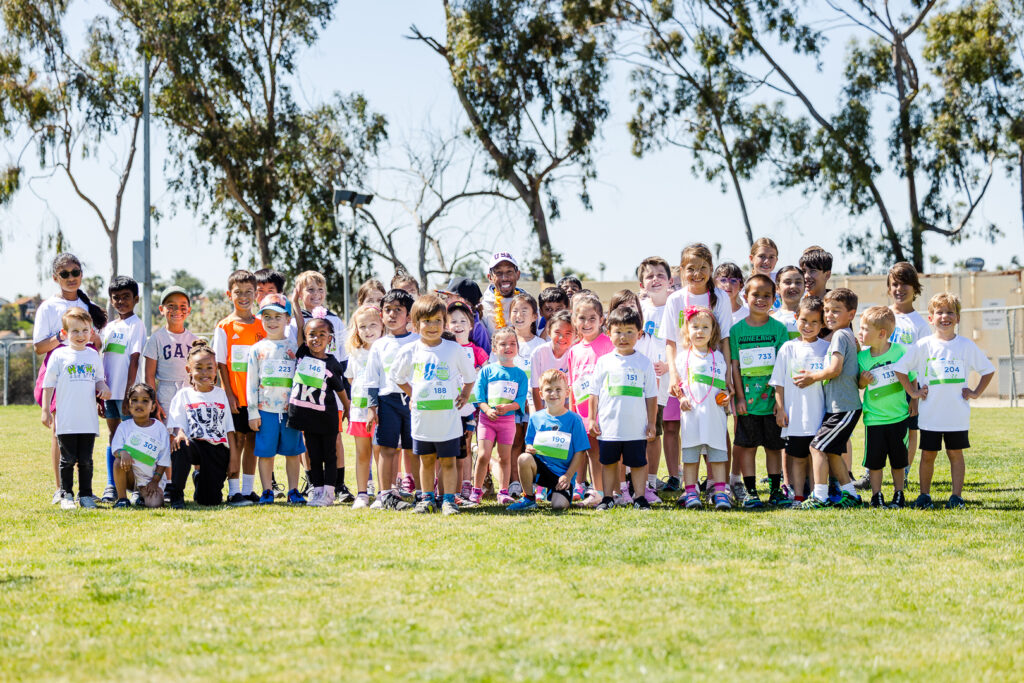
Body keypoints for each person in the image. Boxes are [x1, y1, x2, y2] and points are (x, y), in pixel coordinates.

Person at [894, 292, 995, 509]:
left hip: (956, 415)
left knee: (955, 454)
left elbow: (988, 370)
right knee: (928, 455)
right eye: (939, 312)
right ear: (930, 318)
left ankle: (956, 496)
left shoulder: (966, 346)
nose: (945, 316)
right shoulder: (923, 345)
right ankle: (924, 495)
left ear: (958, 318)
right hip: (931, 415)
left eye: (950, 312)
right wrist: (913, 392)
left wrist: (976, 392)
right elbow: (900, 369)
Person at [390, 295, 477, 515]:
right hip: (422, 420)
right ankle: (426, 498)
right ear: (416, 323)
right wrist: (413, 395)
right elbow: (398, 377)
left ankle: (449, 500)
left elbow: (469, 376)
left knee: (448, 462)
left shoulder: (453, 349)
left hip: (448, 420)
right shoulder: (411, 350)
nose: (432, 326)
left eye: (437, 320)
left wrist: (465, 395)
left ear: (444, 323)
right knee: (426, 460)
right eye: (426, 321)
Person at [33, 252, 102, 504]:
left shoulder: (88, 304)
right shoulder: (48, 307)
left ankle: (85, 490)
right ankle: (61, 489)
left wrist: (94, 339)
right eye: (65, 274)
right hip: (61, 371)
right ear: (55, 277)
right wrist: (62, 338)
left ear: (81, 274)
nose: (71, 278)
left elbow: (97, 340)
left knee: (84, 429)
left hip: (84, 372)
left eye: (75, 272)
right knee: (59, 429)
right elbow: (39, 347)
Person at [793, 288, 863, 508]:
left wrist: (812, 377)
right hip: (839, 407)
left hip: (844, 407)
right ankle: (850, 494)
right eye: (828, 311)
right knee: (832, 451)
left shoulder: (841, 335)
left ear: (851, 315)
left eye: (836, 311)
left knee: (817, 447)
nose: (830, 315)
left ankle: (819, 496)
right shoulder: (843, 335)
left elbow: (835, 369)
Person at [40, 307, 112, 510]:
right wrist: (45, 410)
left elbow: (99, 379)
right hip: (67, 420)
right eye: (75, 331)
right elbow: (48, 384)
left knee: (86, 461)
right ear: (64, 334)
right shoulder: (59, 355)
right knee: (68, 460)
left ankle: (86, 495)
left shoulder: (92, 355)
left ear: (91, 332)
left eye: (84, 330)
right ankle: (66, 495)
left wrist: (103, 388)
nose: (80, 335)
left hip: (87, 420)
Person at [587, 306, 658, 510]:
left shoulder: (644, 363)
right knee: (609, 463)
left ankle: (640, 498)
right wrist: (592, 419)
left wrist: (652, 422)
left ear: (639, 334)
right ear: (609, 333)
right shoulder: (604, 362)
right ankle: (608, 498)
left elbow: (651, 396)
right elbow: (594, 393)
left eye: (629, 332)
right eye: (618, 332)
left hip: (636, 428)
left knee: (637, 463)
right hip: (609, 428)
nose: (623, 337)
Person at [729, 274, 790, 508]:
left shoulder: (779, 329)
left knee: (774, 448)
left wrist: (779, 400)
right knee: (748, 447)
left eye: (767, 296)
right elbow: (735, 365)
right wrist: (740, 399)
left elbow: (783, 367)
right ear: (746, 297)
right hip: (748, 403)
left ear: (774, 299)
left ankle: (776, 491)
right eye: (756, 294)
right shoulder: (737, 331)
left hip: (771, 403)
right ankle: (751, 491)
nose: (761, 299)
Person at [292, 271, 352, 501]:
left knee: (334, 440)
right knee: (310, 443)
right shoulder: (299, 329)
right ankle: (313, 484)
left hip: (331, 400)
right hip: (307, 400)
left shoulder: (334, 321)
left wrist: (346, 401)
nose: (315, 294)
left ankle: (338, 485)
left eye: (320, 289)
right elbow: (298, 329)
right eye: (309, 289)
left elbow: (342, 366)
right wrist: (294, 302)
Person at [246, 293, 305, 504]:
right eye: (267, 316)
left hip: (291, 412)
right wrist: (253, 412)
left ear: (287, 319)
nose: (272, 321)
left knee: (293, 451)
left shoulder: (295, 348)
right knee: (266, 453)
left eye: (278, 317)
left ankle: (293, 491)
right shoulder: (257, 349)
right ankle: (267, 491)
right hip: (265, 411)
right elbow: (251, 384)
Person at [769, 296, 828, 505]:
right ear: (796, 318)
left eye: (814, 322)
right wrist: (781, 408)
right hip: (795, 416)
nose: (808, 326)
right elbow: (779, 383)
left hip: (820, 414)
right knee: (798, 458)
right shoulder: (788, 348)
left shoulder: (826, 348)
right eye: (804, 321)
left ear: (822, 324)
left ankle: (816, 495)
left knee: (816, 457)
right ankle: (798, 496)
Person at [213, 270, 265, 506]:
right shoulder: (224, 326)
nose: (243, 297)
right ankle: (233, 491)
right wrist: (229, 393)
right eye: (238, 292)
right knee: (237, 441)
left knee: (253, 440)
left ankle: (247, 490)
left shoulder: (263, 325)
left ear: (255, 294)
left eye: (248, 292)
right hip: (235, 396)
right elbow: (221, 363)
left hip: (257, 397)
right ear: (229, 294)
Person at [364, 289, 419, 511]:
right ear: (381, 314)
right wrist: (371, 407)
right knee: (387, 448)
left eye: (398, 310)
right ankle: (386, 494)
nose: (392, 315)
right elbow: (372, 378)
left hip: (414, 402)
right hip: (387, 402)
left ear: (409, 315)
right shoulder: (379, 345)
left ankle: (422, 494)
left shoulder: (419, 341)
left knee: (413, 448)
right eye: (388, 310)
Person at [165, 341, 236, 508]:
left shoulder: (221, 395)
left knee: (210, 500)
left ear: (215, 370)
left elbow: (229, 430)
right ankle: (176, 494)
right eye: (199, 368)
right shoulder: (184, 395)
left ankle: (200, 479)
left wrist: (233, 459)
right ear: (189, 370)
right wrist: (180, 433)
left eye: (209, 368)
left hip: (217, 449)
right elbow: (178, 423)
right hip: (194, 445)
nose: (205, 373)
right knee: (180, 444)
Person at [508, 369, 591, 512]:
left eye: (558, 389)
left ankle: (556, 492)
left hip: (562, 475)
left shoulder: (574, 420)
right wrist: (529, 448)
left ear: (567, 392)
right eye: (549, 390)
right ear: (541, 394)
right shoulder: (536, 418)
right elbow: (529, 442)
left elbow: (580, 452)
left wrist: (568, 475)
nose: (553, 394)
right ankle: (528, 498)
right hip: (542, 469)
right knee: (524, 458)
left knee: (558, 506)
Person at [674, 306, 732, 510]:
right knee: (691, 457)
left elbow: (723, 388)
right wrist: (681, 398)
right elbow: (679, 385)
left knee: (717, 456)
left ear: (713, 331)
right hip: (692, 415)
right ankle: (690, 492)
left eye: (705, 327)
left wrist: (726, 397)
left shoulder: (719, 359)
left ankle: (720, 492)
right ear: (687, 330)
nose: (699, 331)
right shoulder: (683, 358)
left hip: (715, 416)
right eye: (695, 326)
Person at [287, 314, 348, 507]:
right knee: (312, 456)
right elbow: (299, 322)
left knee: (329, 455)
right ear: (305, 337)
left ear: (330, 339)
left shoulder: (332, 363)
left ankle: (329, 493)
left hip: (327, 418)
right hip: (307, 418)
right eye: (312, 334)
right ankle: (317, 490)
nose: (316, 338)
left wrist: (347, 407)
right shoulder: (302, 354)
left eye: (322, 334)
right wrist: (296, 301)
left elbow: (340, 389)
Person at [856, 306, 913, 508]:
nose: (859, 333)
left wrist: (913, 401)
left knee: (898, 462)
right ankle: (876, 495)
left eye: (864, 329)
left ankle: (899, 494)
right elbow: (860, 385)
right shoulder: (861, 358)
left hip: (898, 417)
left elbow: (912, 379)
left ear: (882, 333)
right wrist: (863, 381)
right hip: (874, 418)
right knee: (875, 462)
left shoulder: (901, 352)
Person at [98, 276, 146, 503]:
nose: (121, 302)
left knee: (131, 439)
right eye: (116, 298)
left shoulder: (136, 324)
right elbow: (102, 360)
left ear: (136, 299)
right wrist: (100, 392)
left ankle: (136, 486)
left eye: (126, 297)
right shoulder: (109, 327)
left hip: (125, 394)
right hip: (108, 393)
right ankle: (111, 484)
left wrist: (129, 394)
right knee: (113, 437)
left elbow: (134, 361)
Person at [469, 327, 529, 506]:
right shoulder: (487, 371)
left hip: (508, 421)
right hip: (487, 421)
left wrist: (509, 407)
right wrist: (487, 410)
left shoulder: (520, 375)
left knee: (505, 457)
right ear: (494, 349)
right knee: (483, 455)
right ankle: (476, 491)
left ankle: (503, 492)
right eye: (503, 344)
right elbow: (479, 397)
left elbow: (520, 400)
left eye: (512, 344)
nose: (508, 347)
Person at [637, 256, 682, 493]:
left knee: (672, 428)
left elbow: (685, 340)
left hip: (672, 379)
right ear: (641, 284)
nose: (655, 280)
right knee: (649, 430)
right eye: (649, 276)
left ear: (670, 280)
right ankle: (645, 479)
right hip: (646, 384)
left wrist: (668, 365)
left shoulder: (676, 305)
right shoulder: (640, 310)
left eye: (660, 275)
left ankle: (675, 476)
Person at [565, 292, 613, 507]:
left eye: (592, 318)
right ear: (574, 321)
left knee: (603, 453)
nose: (587, 323)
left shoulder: (608, 345)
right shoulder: (574, 351)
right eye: (582, 318)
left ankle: (605, 490)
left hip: (604, 410)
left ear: (602, 320)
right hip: (582, 413)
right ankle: (591, 489)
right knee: (587, 451)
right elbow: (573, 384)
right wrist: (574, 412)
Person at [446, 301, 489, 498]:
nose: (458, 325)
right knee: (446, 445)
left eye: (463, 320)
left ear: (471, 325)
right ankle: (446, 484)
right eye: (453, 321)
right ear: (446, 325)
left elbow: (488, 374)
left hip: (470, 408)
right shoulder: (443, 349)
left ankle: (466, 482)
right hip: (446, 407)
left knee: (465, 443)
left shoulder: (477, 351)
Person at [346, 304, 385, 509]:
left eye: (372, 325)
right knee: (362, 454)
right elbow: (351, 379)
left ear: (382, 325)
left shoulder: (386, 350)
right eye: (362, 326)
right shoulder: (355, 352)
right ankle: (362, 494)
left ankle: (382, 494)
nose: (368, 330)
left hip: (381, 413)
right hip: (359, 413)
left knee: (380, 453)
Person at [111, 383, 170, 509]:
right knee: (118, 461)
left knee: (155, 504)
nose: (139, 404)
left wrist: (154, 482)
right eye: (134, 400)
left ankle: (142, 496)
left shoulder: (160, 428)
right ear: (128, 405)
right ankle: (122, 499)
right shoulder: (124, 426)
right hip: (130, 476)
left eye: (145, 401)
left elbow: (164, 459)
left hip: (151, 479)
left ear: (153, 406)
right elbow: (115, 449)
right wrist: (123, 453)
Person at [143, 286, 198, 422]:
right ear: (162, 309)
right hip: (166, 393)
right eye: (171, 306)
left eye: (182, 306)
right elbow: (149, 375)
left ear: (189, 310)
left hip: (190, 390)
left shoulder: (195, 340)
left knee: (189, 434)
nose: (177, 310)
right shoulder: (156, 338)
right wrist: (154, 402)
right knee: (168, 433)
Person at [530, 309, 574, 411]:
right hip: (541, 394)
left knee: (564, 420)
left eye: (568, 333)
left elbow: (572, 389)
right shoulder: (538, 353)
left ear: (575, 333)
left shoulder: (575, 352)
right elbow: (535, 387)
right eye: (557, 332)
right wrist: (540, 415)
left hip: (565, 395)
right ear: (549, 332)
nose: (562, 337)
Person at [438, 276, 490, 350]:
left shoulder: (477, 328)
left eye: (449, 297)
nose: (446, 300)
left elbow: (486, 355)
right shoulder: (444, 320)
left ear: (461, 300)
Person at [481, 251, 526, 335]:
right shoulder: (483, 309)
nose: (504, 278)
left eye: (509, 271)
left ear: (518, 275)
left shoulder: (529, 304)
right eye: (498, 272)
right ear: (490, 277)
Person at [771, 266, 804, 340]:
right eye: (787, 282)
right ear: (777, 288)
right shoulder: (771, 320)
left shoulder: (814, 316)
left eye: (798, 282)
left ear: (804, 287)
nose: (793, 286)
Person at [748, 237, 781, 309]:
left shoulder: (783, 281)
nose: (767, 261)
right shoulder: (744, 288)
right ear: (751, 258)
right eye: (762, 256)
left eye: (771, 257)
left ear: (776, 260)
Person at [714, 262, 748, 326]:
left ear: (741, 286)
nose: (728, 285)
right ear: (715, 284)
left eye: (733, 280)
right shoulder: (709, 313)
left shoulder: (748, 316)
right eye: (723, 280)